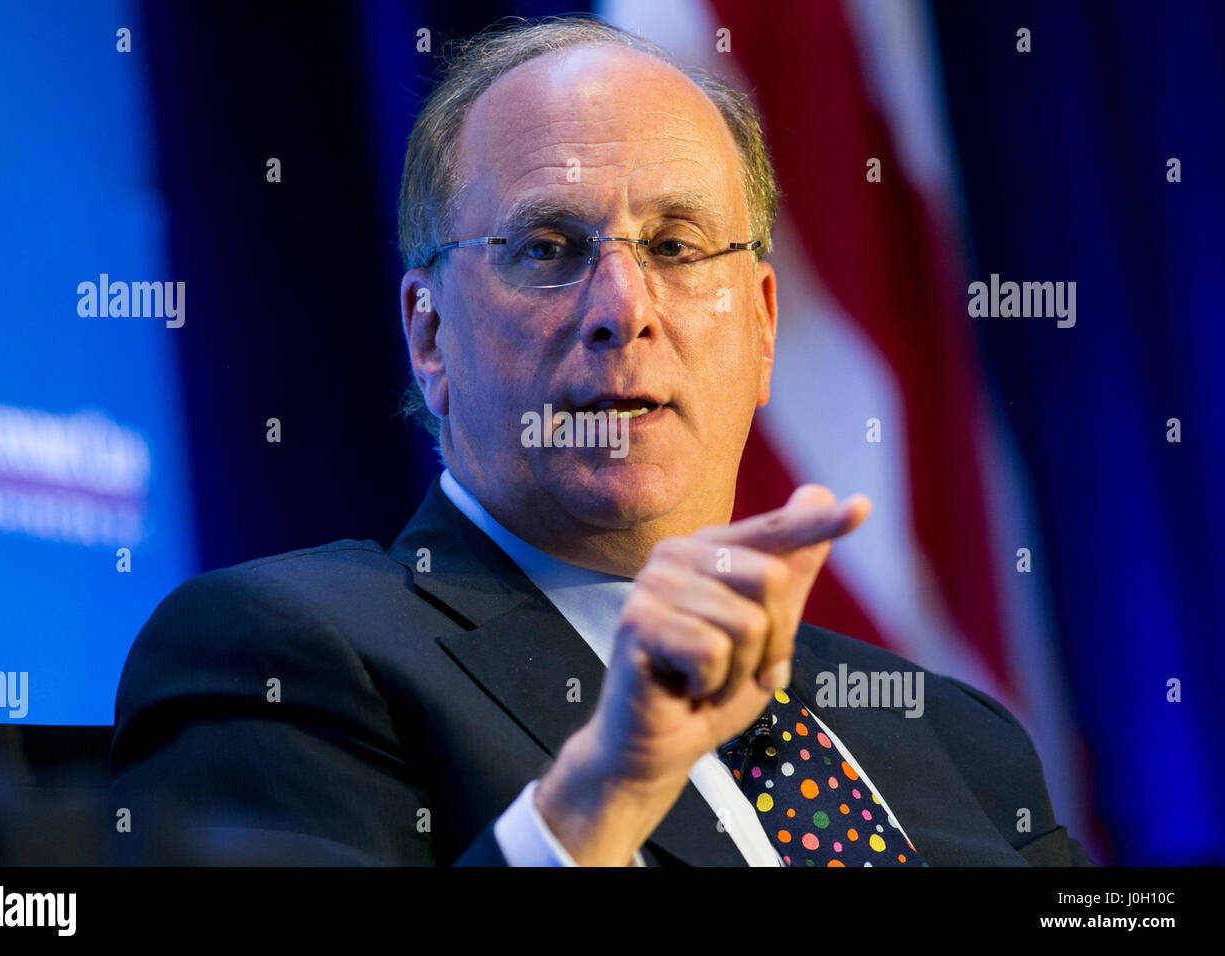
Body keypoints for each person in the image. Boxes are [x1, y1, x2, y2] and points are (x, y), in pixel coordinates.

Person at [109, 16, 1090, 867]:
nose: (622, 309)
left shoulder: (954, 732)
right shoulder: (281, 652)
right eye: (547, 248)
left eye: (672, 246)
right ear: (430, 335)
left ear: (760, 330)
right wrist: (601, 799)